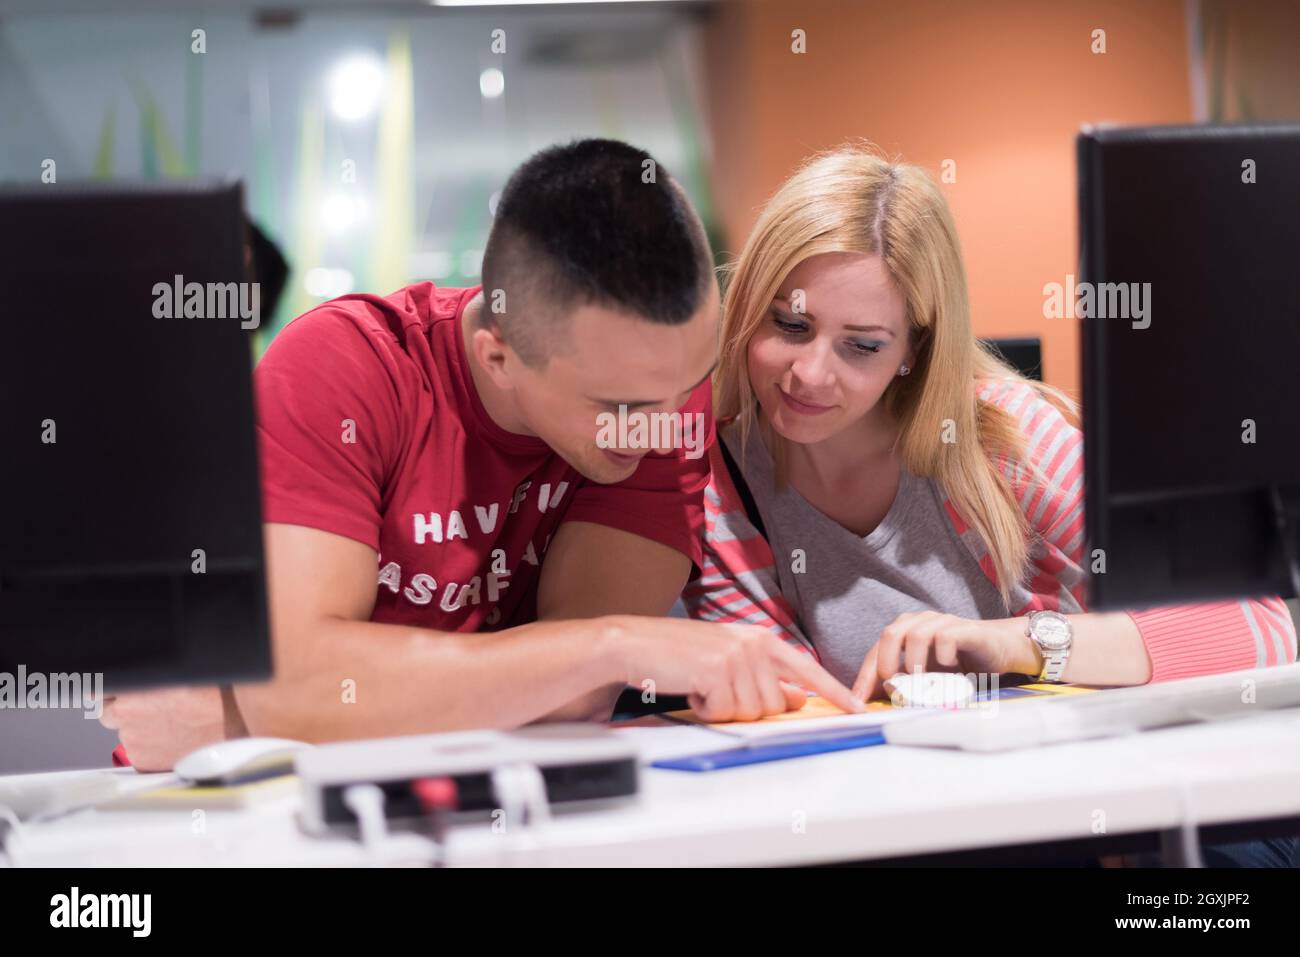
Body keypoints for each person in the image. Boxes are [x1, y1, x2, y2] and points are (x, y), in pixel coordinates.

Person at [100, 139, 862, 770]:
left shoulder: (656, 388)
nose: (663, 429)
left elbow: (581, 696)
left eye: (689, 382)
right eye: (619, 408)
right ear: (498, 357)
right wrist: (614, 645)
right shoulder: (342, 368)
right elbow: (302, 690)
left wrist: (246, 719)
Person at [683, 145, 1297, 865]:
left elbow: (1264, 628)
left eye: (862, 346)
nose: (811, 373)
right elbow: (790, 733)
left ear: (914, 349)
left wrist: (1023, 642)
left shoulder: (1006, 441)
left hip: (1144, 820)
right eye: (790, 326)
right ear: (749, 305)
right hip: (936, 827)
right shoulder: (716, 488)